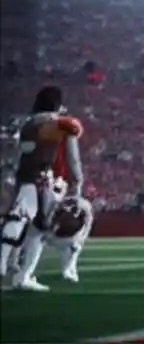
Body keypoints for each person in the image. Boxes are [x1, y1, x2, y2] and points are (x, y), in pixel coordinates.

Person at [1, 85, 84, 292]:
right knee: (26, 223)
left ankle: (17, 271)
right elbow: (73, 130)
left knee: (30, 225)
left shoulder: (28, 123)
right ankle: (13, 269)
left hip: (27, 175)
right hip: (39, 178)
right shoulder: (52, 123)